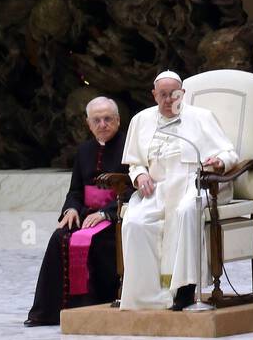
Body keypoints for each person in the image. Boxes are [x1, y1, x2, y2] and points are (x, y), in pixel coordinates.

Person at [119, 70, 238, 310]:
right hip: (156, 189)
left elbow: (230, 153)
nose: (168, 101)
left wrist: (219, 162)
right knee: (135, 222)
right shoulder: (140, 120)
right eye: (162, 95)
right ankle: (148, 296)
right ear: (154, 95)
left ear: (182, 94)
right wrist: (140, 174)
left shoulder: (202, 117)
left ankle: (185, 289)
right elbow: (135, 162)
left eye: (173, 95)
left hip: (194, 184)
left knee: (185, 211)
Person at [25, 96, 130, 326]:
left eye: (108, 119)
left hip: (115, 215)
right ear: (88, 124)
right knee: (59, 237)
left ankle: (92, 310)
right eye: (97, 120)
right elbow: (75, 190)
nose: (102, 124)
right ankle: (51, 313)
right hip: (85, 214)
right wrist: (70, 209)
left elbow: (132, 189)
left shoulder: (129, 148)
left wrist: (106, 213)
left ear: (118, 121)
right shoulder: (84, 151)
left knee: (98, 242)